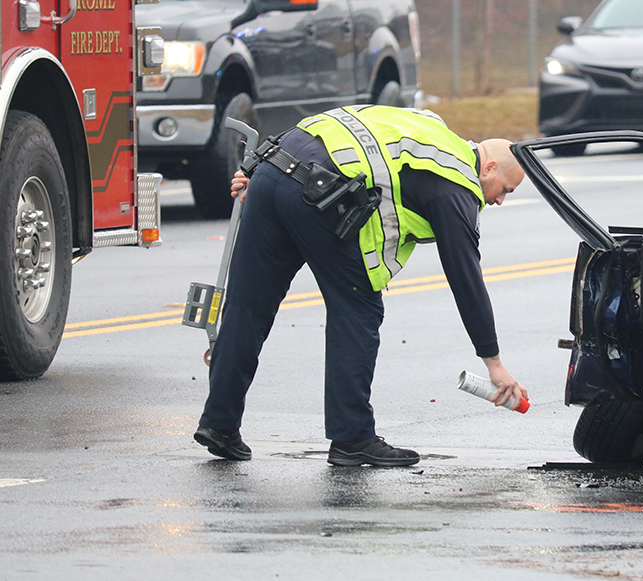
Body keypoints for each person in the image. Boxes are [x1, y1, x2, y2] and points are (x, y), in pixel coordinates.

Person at [193, 105, 528, 466]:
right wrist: (493, 362)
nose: (499, 200)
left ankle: (220, 424)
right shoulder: (455, 181)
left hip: (273, 168)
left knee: (247, 306)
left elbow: (336, 123)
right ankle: (352, 437)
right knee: (356, 310)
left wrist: (259, 170)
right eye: (505, 189)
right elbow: (465, 277)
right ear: (488, 168)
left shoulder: (427, 126)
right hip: (317, 194)